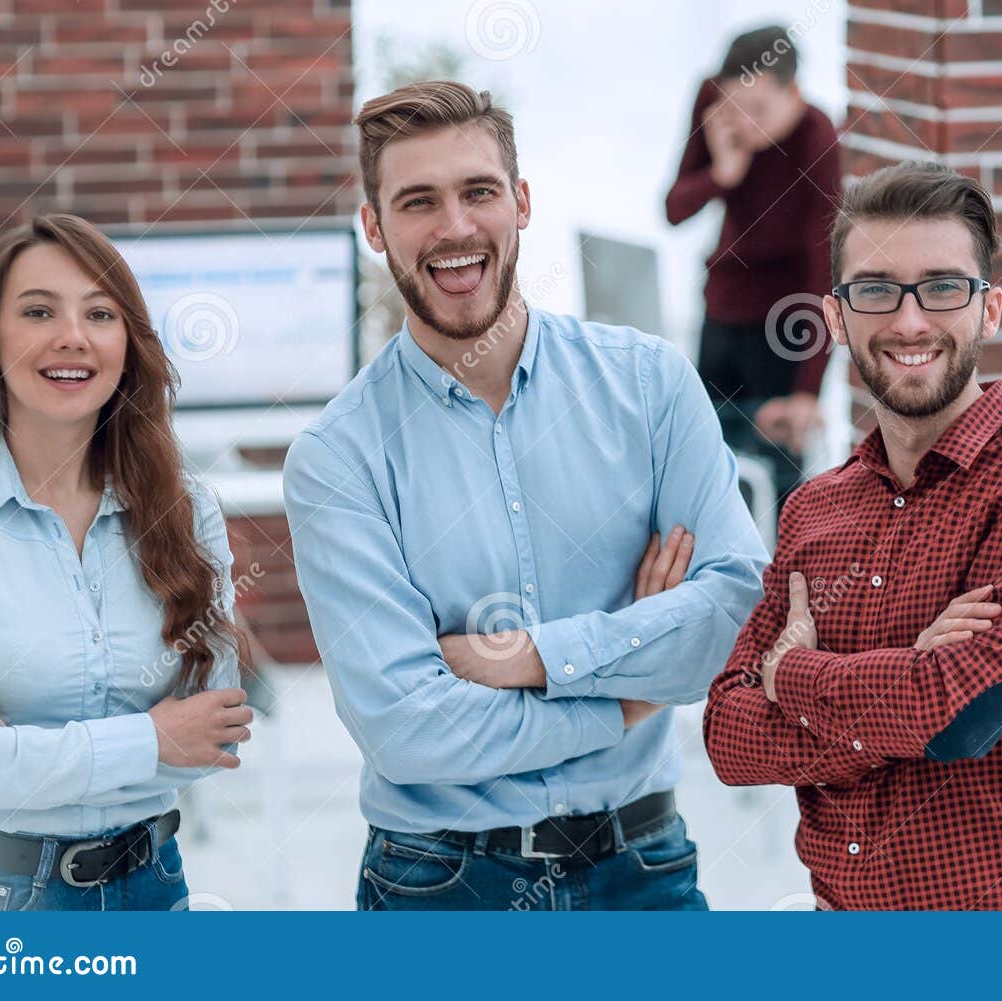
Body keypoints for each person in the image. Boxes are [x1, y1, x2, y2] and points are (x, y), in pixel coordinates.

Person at [283, 81, 767, 911]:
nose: (455, 228)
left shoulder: (649, 385)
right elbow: (407, 728)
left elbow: (736, 618)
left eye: (478, 191)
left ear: (522, 202)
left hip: (642, 872)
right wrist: (630, 687)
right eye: (417, 202)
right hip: (440, 890)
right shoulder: (338, 457)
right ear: (373, 226)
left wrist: (527, 658)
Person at [703, 161, 1002, 910]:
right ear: (835, 317)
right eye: (874, 289)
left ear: (988, 309)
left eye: (942, 286)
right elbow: (728, 737)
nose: (908, 321)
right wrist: (906, 691)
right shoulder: (814, 509)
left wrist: (794, 674)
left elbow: (967, 713)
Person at [0, 213, 251, 911]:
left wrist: (16, 748)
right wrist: (151, 735)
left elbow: (215, 734)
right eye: (39, 311)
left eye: (100, 313)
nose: (72, 335)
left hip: (153, 886)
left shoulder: (186, 508)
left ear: (127, 344)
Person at [665, 25, 842, 503]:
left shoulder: (816, 138)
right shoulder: (714, 104)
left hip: (785, 320)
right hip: (722, 307)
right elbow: (675, 209)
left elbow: (823, 267)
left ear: (795, 95)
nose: (744, 124)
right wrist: (722, 172)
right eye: (733, 108)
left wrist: (808, 391)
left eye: (759, 110)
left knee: (781, 470)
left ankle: (784, 574)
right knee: (703, 455)